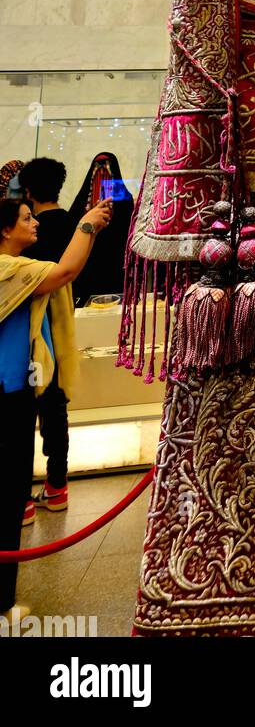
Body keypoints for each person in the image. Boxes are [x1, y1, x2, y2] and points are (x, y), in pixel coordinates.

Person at [0, 195, 110, 616]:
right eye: (26, 219)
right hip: (5, 398)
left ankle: (4, 600)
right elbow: (65, 271)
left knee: (11, 499)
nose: (35, 224)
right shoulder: (9, 271)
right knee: (6, 498)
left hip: (18, 393)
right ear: (5, 229)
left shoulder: (21, 271)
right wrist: (86, 225)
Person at [19, 158, 75, 522]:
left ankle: (20, 498)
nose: (31, 223)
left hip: (28, 332)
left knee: (20, 414)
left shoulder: (25, 239)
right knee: (55, 409)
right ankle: (57, 486)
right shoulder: (72, 223)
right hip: (61, 326)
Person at [67, 153, 133, 307]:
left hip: (115, 262)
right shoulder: (82, 199)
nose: (102, 170)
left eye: (106, 165)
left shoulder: (125, 200)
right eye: (99, 165)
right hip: (87, 263)